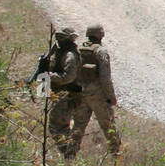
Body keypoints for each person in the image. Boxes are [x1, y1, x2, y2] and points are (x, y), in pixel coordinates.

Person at [70, 24, 121, 156]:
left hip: (81, 93)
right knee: (109, 127)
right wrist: (111, 96)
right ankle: (116, 156)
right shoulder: (101, 51)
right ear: (101, 35)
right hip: (98, 95)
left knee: (78, 126)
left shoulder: (78, 50)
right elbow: (105, 78)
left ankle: (70, 155)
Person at [45, 27, 83, 158]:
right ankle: (69, 154)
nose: (58, 40)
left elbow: (69, 77)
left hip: (67, 95)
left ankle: (69, 154)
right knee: (58, 126)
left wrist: (50, 76)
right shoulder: (60, 53)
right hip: (61, 95)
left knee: (58, 126)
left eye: (61, 38)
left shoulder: (70, 55)